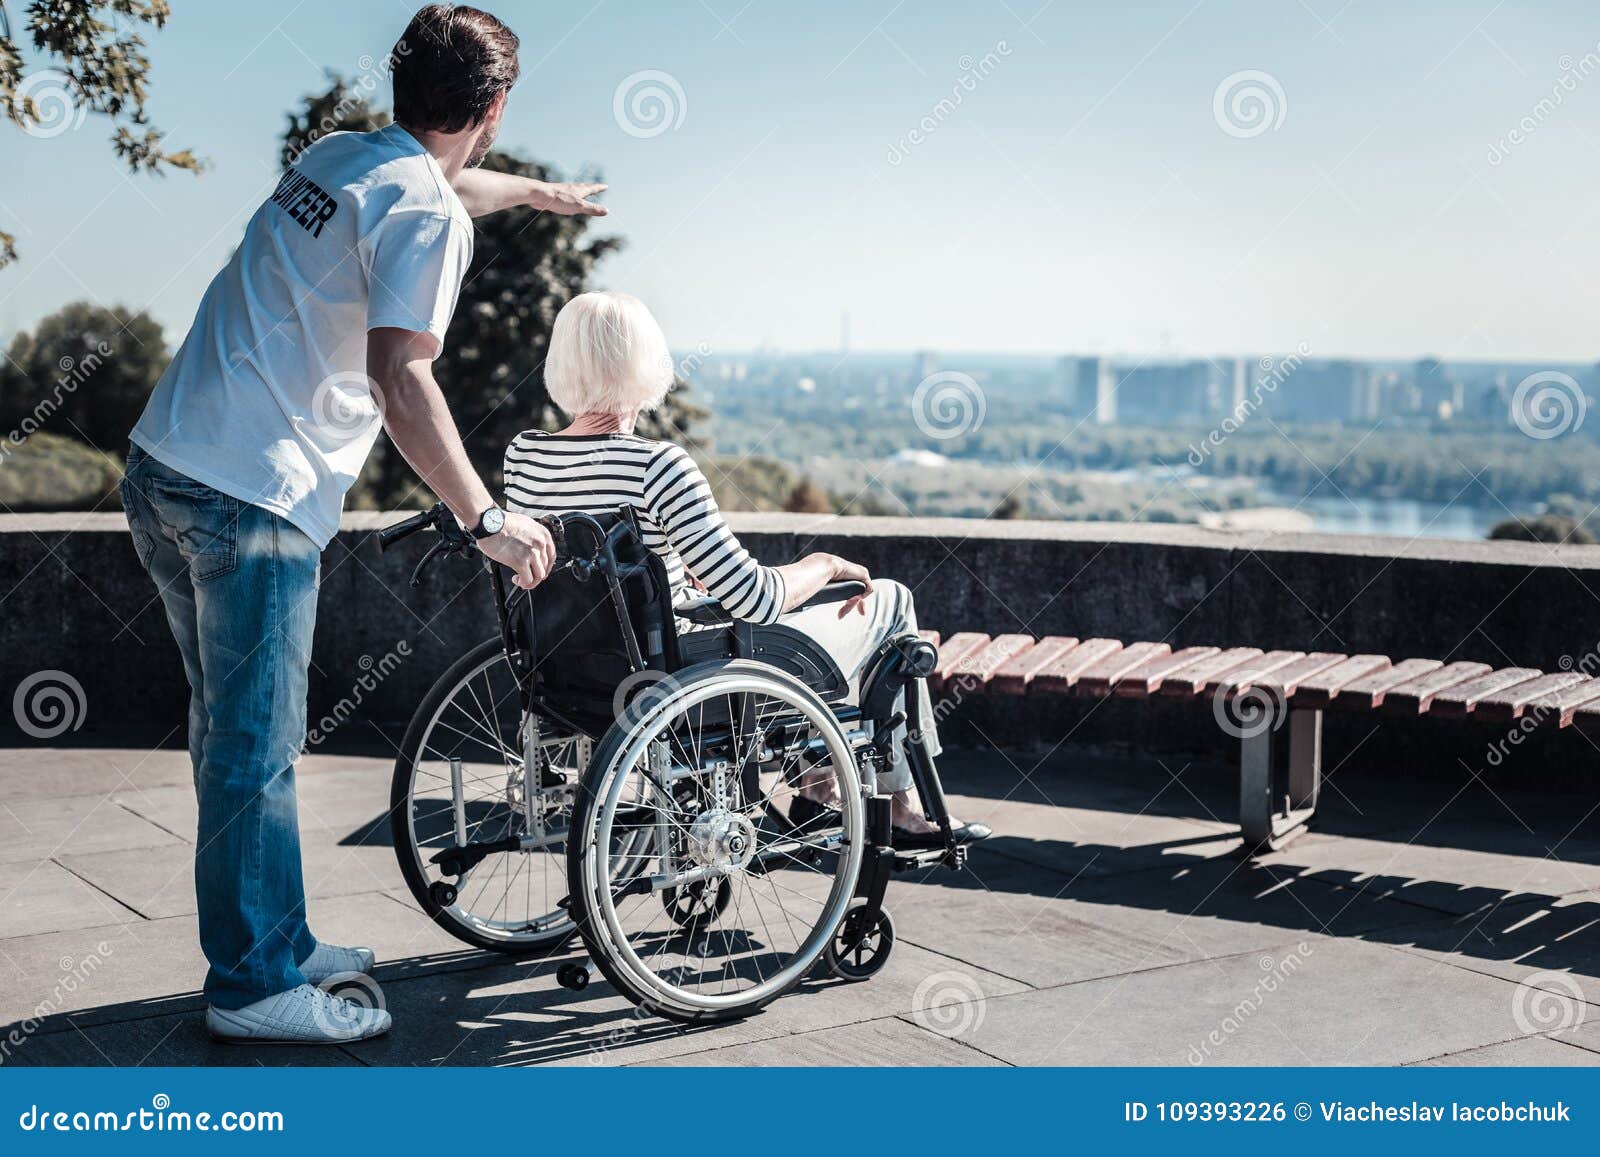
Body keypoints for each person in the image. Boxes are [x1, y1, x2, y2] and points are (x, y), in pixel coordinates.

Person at [120, 5, 603, 1044]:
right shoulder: (428, 214)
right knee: (254, 746)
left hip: (164, 463)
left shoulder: (339, 158)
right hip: (251, 494)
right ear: (494, 108)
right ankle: (252, 985)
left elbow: (437, 186)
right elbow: (400, 374)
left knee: (231, 735)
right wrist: (484, 515)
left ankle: (276, 938)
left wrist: (530, 193)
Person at [501, 291, 993, 846]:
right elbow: (755, 598)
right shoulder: (657, 465)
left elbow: (589, 569)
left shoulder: (524, 456)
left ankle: (820, 787)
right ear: (647, 365)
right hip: (673, 675)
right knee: (890, 600)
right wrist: (822, 564)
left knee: (784, 628)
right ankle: (897, 805)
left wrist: (671, 573)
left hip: (567, 672)